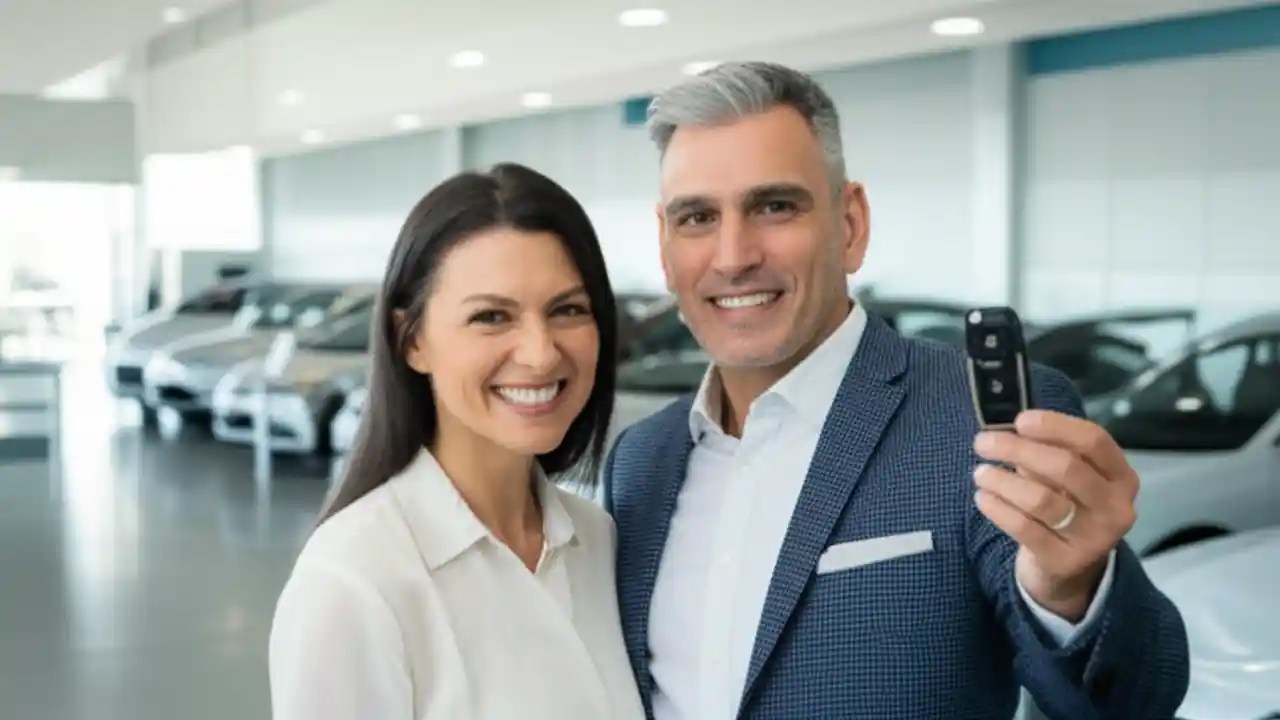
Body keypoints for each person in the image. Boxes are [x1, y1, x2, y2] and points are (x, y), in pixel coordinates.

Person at [602, 62, 1190, 720]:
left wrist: (1073, 586)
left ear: (849, 224)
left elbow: (1131, 700)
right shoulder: (639, 462)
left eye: (774, 206)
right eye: (697, 217)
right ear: (664, 243)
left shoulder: (983, 423)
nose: (733, 255)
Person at [269, 163, 645, 720]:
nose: (541, 353)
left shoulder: (596, 539)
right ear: (412, 340)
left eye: (567, 310)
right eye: (492, 317)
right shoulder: (353, 582)